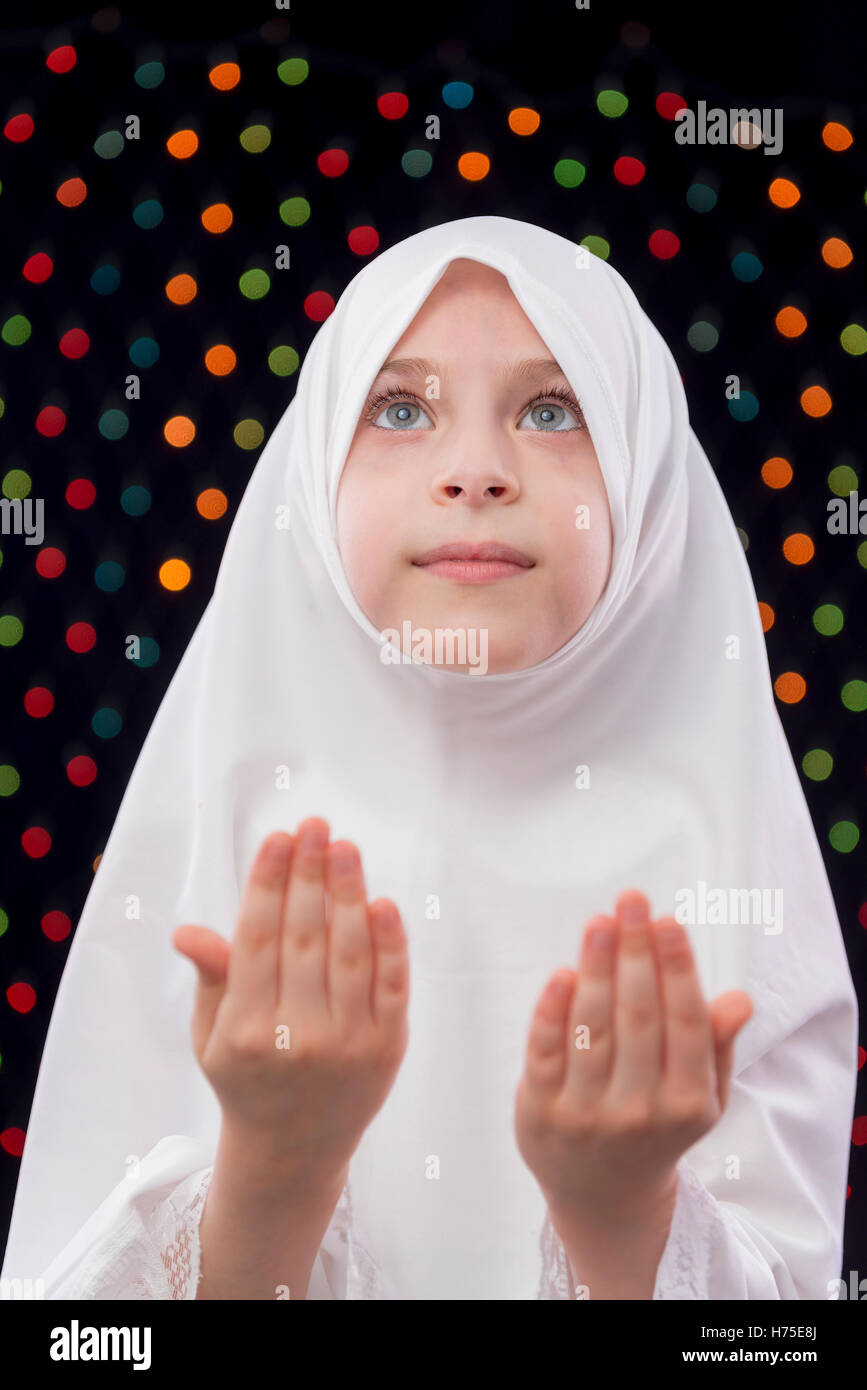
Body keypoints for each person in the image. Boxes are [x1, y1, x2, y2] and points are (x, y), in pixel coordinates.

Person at [1, 216, 857, 1300]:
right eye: (401, 408)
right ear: (315, 477)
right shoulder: (210, 836)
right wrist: (276, 1173)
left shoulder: (737, 872)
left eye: (553, 411)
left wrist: (625, 1222)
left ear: (643, 474)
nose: (475, 471)